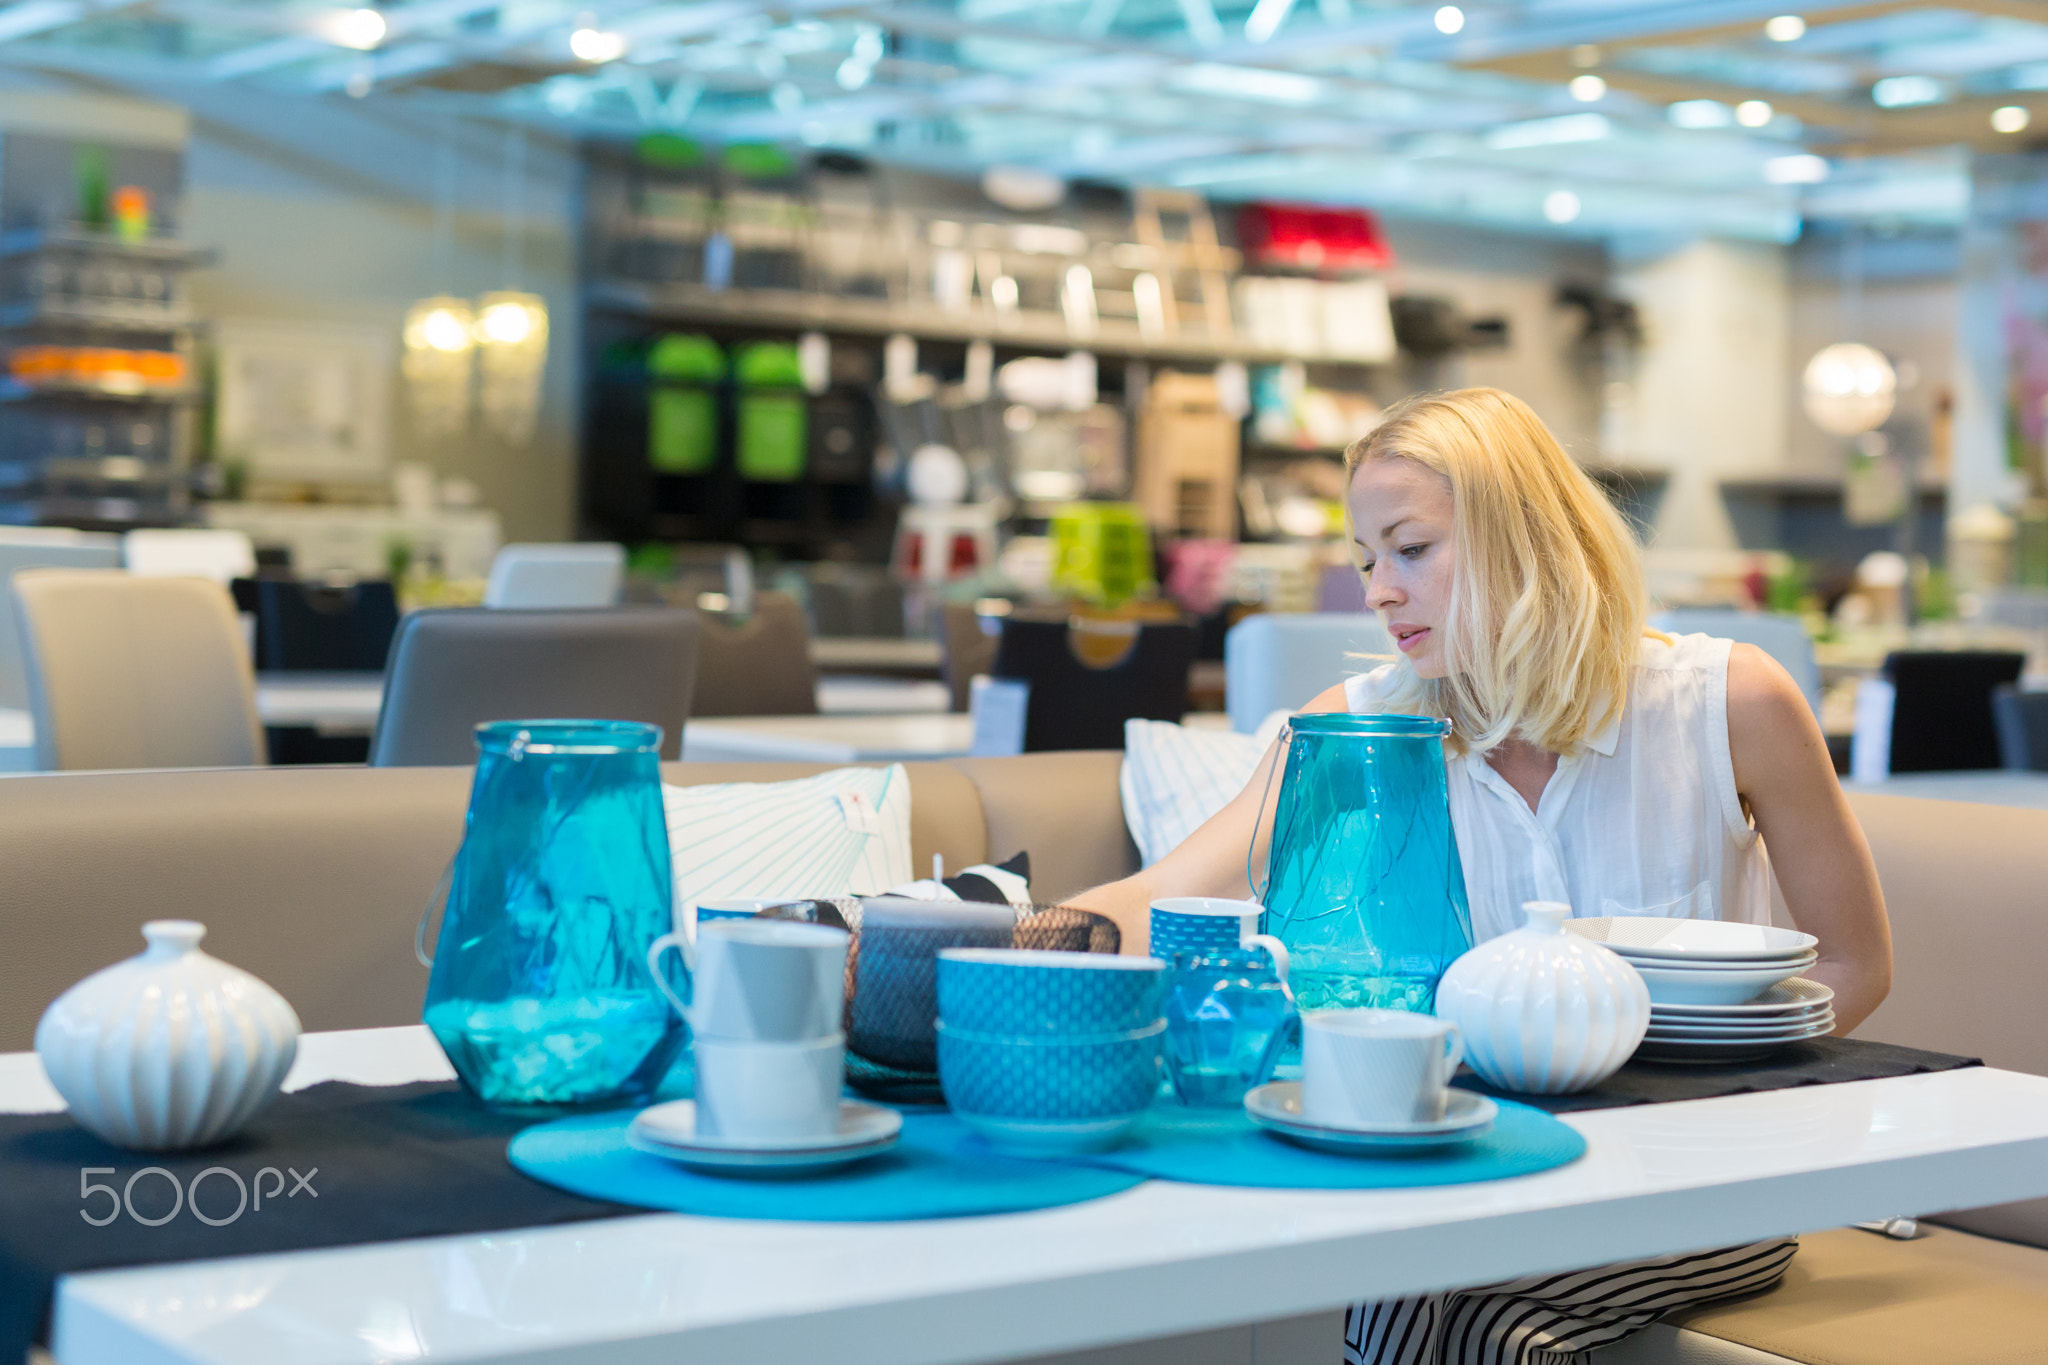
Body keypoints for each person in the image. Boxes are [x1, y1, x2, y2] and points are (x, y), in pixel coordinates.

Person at [1066, 387, 1893, 1365]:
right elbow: (1163, 893)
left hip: (1702, 1172)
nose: (1377, 591)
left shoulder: (1726, 700)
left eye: (1409, 551)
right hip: (1478, 1157)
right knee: (1410, 1286)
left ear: (1523, 534)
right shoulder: (1361, 724)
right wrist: (988, 937)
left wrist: (1684, 1070)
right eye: (1365, 561)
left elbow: (1854, 963)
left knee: (1474, 1314)